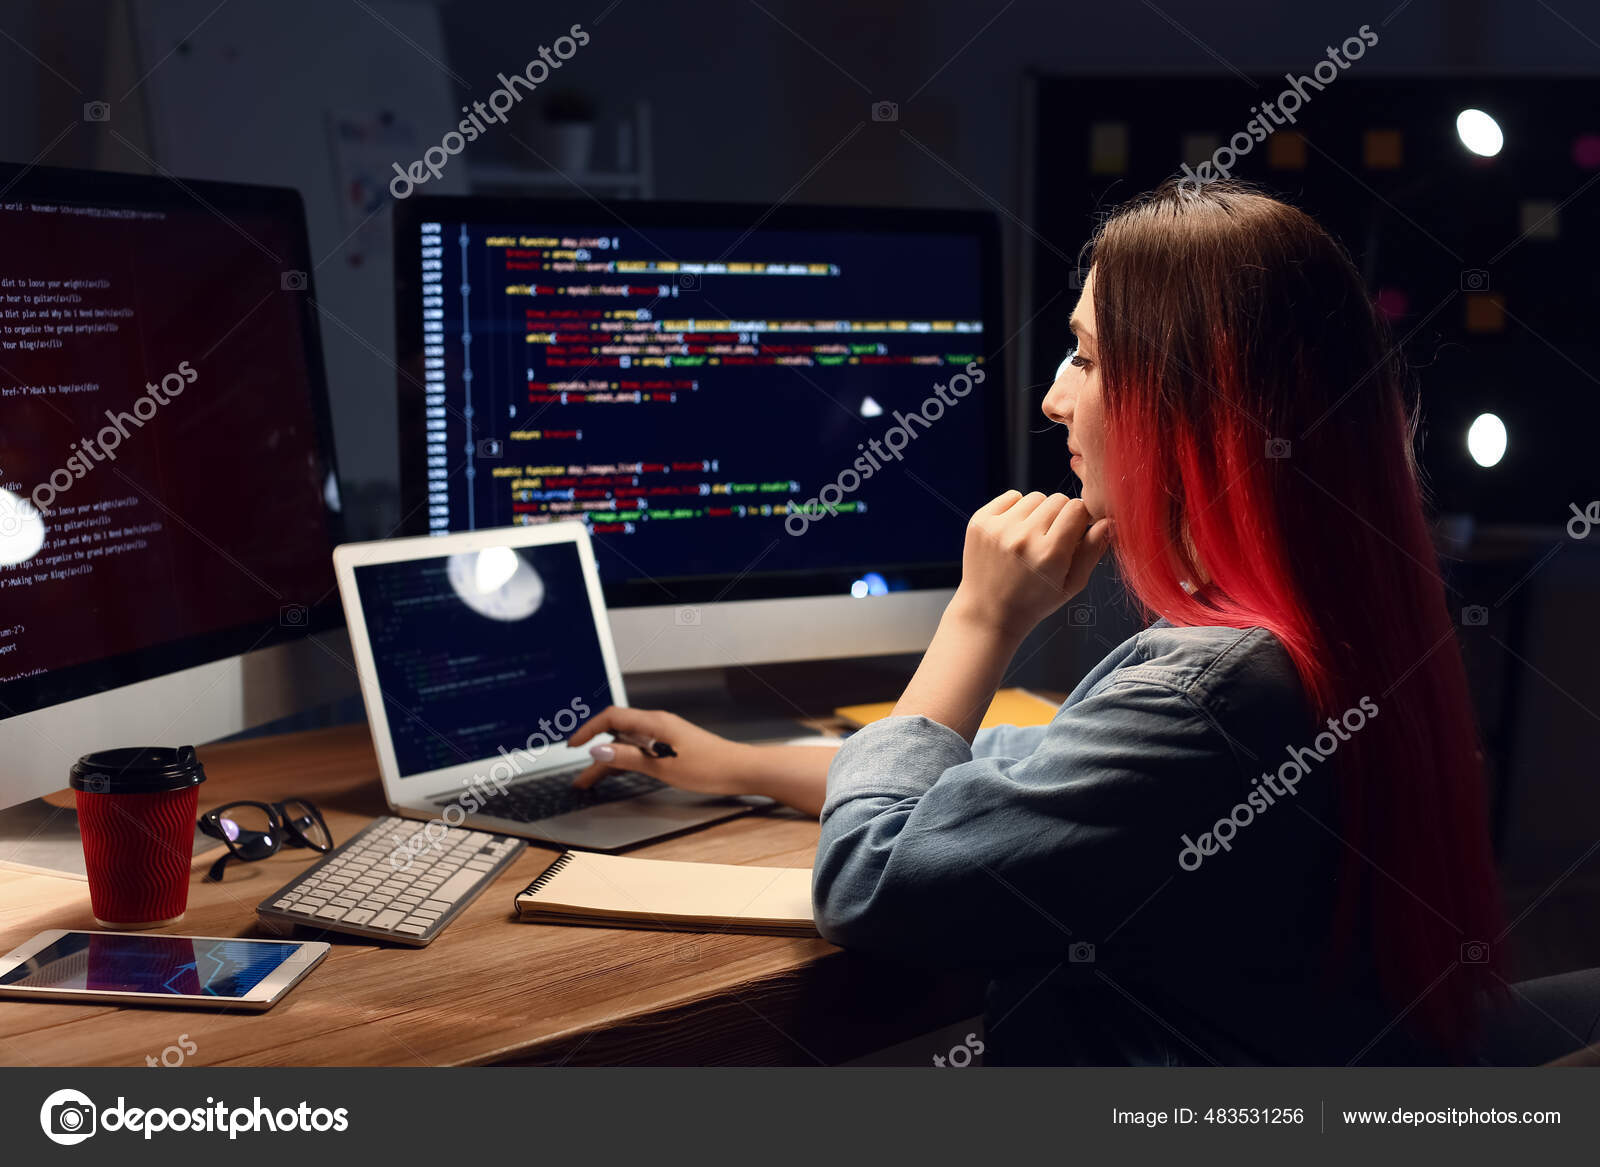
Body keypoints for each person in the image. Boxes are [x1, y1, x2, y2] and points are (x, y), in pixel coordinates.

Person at [570, 179, 1503, 1065]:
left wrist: (979, 617)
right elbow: (1012, 785)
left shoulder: (1205, 696)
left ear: (1191, 403)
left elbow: (871, 883)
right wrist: (735, 763)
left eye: (1089, 358)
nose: (1056, 398)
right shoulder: (1319, 638)